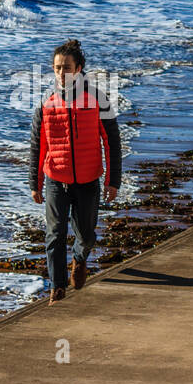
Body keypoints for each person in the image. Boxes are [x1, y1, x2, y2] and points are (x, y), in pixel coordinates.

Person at [29, 39, 122, 306]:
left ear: (79, 68)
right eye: (57, 68)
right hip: (56, 179)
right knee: (54, 234)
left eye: (66, 67)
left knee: (87, 234)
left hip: (88, 179)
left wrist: (112, 180)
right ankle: (57, 288)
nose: (61, 73)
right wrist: (34, 183)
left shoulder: (97, 100)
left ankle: (79, 259)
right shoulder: (46, 104)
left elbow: (112, 141)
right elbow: (38, 146)